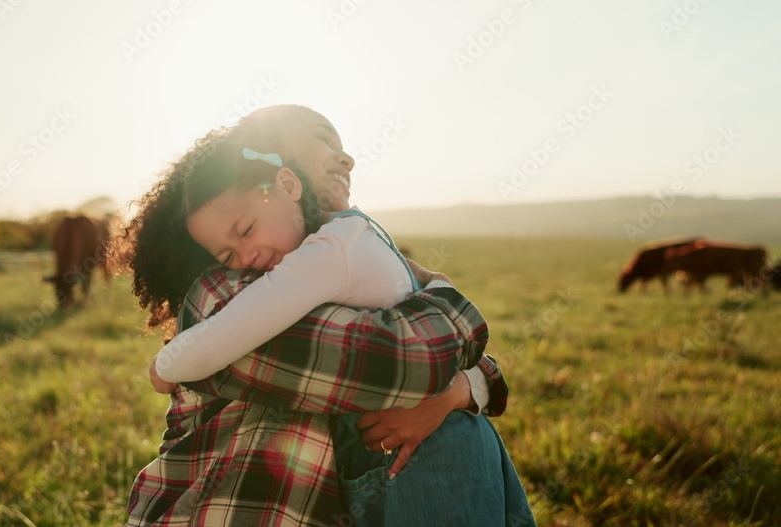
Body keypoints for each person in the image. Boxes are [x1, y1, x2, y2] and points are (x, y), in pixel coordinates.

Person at [117, 106, 535, 526]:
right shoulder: (229, 292)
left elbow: (482, 373)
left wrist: (458, 391)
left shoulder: (329, 260)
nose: (345, 158)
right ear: (276, 168)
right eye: (321, 139)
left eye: (341, 144)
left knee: (455, 426)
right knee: (451, 433)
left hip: (320, 503)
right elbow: (409, 363)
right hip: (231, 513)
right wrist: (441, 293)